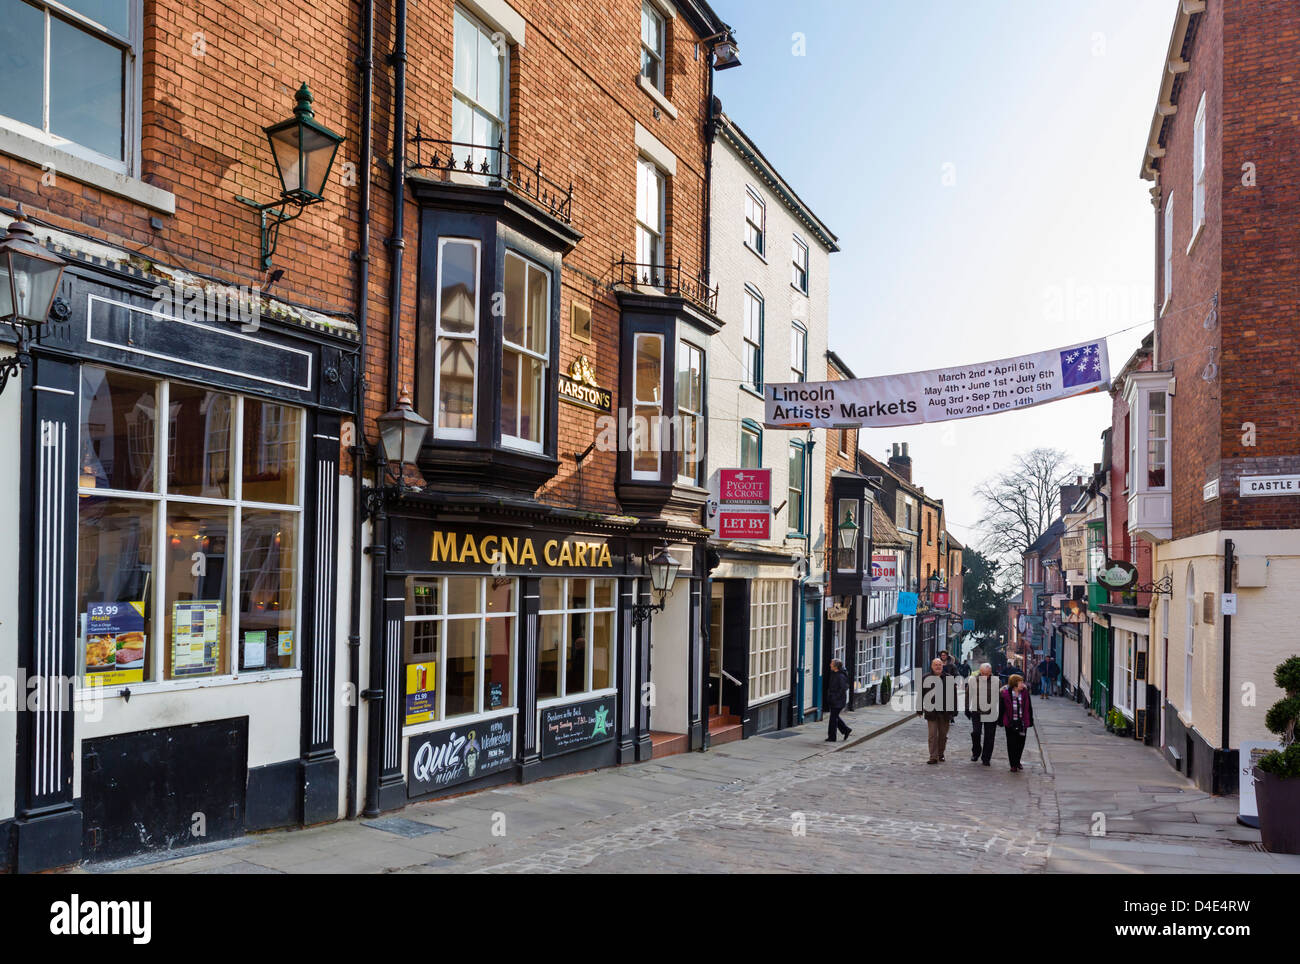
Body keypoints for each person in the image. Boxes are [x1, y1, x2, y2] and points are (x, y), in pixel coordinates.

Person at [921, 657, 957, 763]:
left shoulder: (949, 678)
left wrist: (954, 711)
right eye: (935, 665)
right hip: (931, 711)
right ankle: (933, 756)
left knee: (942, 735)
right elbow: (921, 694)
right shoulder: (925, 678)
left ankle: (940, 753)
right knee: (932, 735)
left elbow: (953, 696)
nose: (938, 666)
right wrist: (919, 709)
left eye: (940, 665)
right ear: (932, 666)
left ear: (943, 666)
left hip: (945, 712)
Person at [998, 673, 1035, 772]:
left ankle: (1017, 761)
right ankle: (1013, 764)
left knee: (1020, 743)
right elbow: (1002, 708)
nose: (1023, 684)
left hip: (1022, 723)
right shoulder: (1005, 694)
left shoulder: (1025, 693)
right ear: (1015, 684)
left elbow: (1029, 708)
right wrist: (1000, 720)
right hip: (1010, 723)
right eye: (1021, 682)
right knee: (1011, 744)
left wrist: (1030, 720)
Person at [967, 662, 999, 765]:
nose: (985, 676)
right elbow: (968, 695)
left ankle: (986, 758)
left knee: (989, 736)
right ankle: (976, 752)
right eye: (983, 673)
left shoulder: (996, 681)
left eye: (987, 674)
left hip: (991, 712)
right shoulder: (973, 680)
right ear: (980, 672)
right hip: (977, 711)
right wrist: (967, 708)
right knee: (976, 733)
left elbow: (1000, 698)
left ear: (990, 672)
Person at [824, 658, 852, 742]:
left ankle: (832, 737)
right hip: (834, 699)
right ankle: (846, 730)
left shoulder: (840, 676)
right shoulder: (834, 673)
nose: (830, 665)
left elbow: (843, 688)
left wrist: (834, 697)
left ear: (836, 666)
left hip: (838, 701)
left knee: (833, 719)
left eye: (831, 664)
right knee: (835, 717)